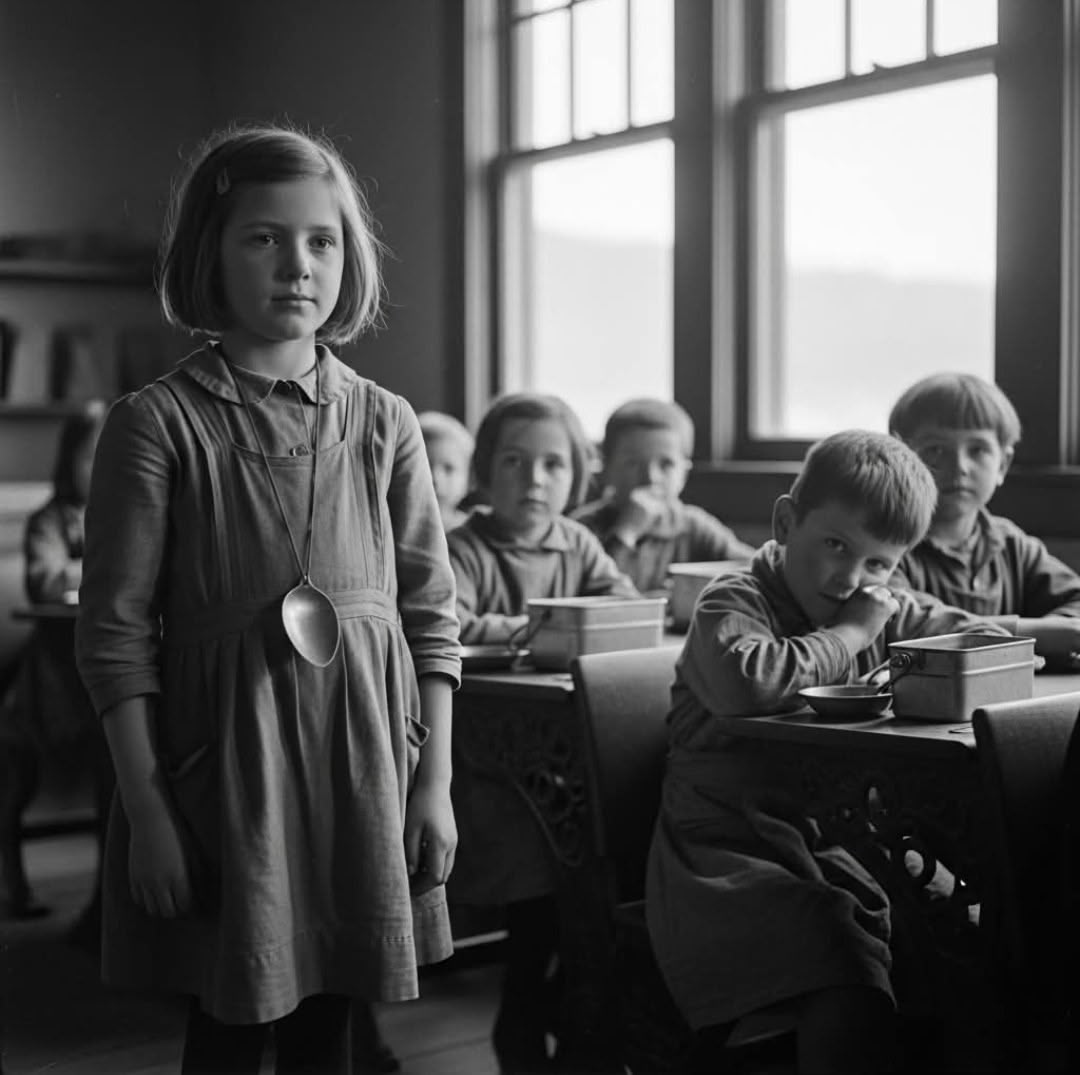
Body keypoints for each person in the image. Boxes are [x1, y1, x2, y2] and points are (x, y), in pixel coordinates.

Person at [74, 123, 460, 1075]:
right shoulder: (154, 425)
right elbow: (114, 638)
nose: (298, 265)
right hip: (224, 772)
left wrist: (434, 782)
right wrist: (148, 811)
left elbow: (431, 619)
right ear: (212, 252)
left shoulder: (386, 422)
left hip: (364, 767)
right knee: (232, 1021)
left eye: (321, 240)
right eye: (264, 238)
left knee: (332, 1025)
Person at [645, 430, 1012, 1074]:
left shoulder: (880, 607)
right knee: (843, 953)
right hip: (727, 848)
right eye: (836, 546)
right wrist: (849, 635)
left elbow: (964, 632)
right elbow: (745, 684)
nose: (851, 579)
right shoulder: (733, 600)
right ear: (787, 523)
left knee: (965, 924)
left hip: (842, 837)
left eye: (879, 564)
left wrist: (1033, 637)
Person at [446, 391, 637, 1072]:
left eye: (553, 465)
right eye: (514, 461)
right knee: (539, 882)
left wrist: (564, 624)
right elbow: (450, 622)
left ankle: (577, 1020)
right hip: (485, 761)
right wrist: (548, 625)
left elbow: (619, 606)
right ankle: (524, 1017)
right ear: (484, 471)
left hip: (564, 759)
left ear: (576, 476)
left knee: (597, 867)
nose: (534, 480)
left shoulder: (576, 541)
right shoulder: (462, 547)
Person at [0, 401, 111, 923]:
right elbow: (44, 582)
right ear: (69, 460)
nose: (100, 470)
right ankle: (18, 883)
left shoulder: (127, 515)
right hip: (53, 672)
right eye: (90, 458)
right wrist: (103, 569)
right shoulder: (50, 519)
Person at [887, 372, 1080, 669]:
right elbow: (900, 619)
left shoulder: (1012, 546)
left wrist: (1053, 639)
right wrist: (1033, 635)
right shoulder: (887, 545)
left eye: (977, 450)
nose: (960, 466)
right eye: (936, 450)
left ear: (1002, 464)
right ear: (902, 458)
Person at [573, 398, 755, 595]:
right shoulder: (581, 530)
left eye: (666, 464)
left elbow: (755, 570)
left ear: (684, 474)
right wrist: (626, 532)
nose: (651, 477)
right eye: (633, 463)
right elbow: (591, 592)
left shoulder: (694, 526)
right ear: (607, 469)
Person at [418, 410, 474, 530]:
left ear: (469, 479)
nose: (435, 479)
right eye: (425, 467)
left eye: (449, 469)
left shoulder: (472, 532)